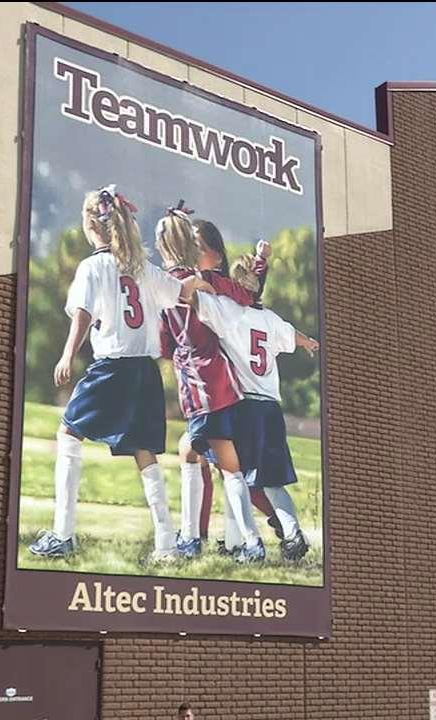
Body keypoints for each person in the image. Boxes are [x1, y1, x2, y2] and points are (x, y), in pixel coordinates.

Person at [28, 186, 211, 562]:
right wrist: (207, 279)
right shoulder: (142, 268)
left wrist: (67, 355)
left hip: (112, 366)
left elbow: (82, 314)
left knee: (68, 433)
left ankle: (63, 533)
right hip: (146, 370)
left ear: (92, 226)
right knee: (143, 450)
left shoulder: (92, 267)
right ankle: (166, 544)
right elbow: (182, 292)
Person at [156, 206, 279, 561]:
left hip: (213, 385)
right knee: (209, 457)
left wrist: (259, 265)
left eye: (200, 246)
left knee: (226, 463)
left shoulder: (194, 284)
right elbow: (247, 295)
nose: (195, 252)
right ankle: (228, 538)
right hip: (222, 385)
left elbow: (167, 340)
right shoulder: (205, 283)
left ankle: (224, 539)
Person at [189, 250, 319, 562]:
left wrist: (200, 276)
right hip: (272, 408)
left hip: (244, 407)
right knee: (271, 480)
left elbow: (191, 297)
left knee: (235, 476)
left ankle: (248, 545)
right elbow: (294, 336)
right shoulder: (270, 319)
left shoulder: (228, 311)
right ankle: (292, 534)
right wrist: (311, 343)